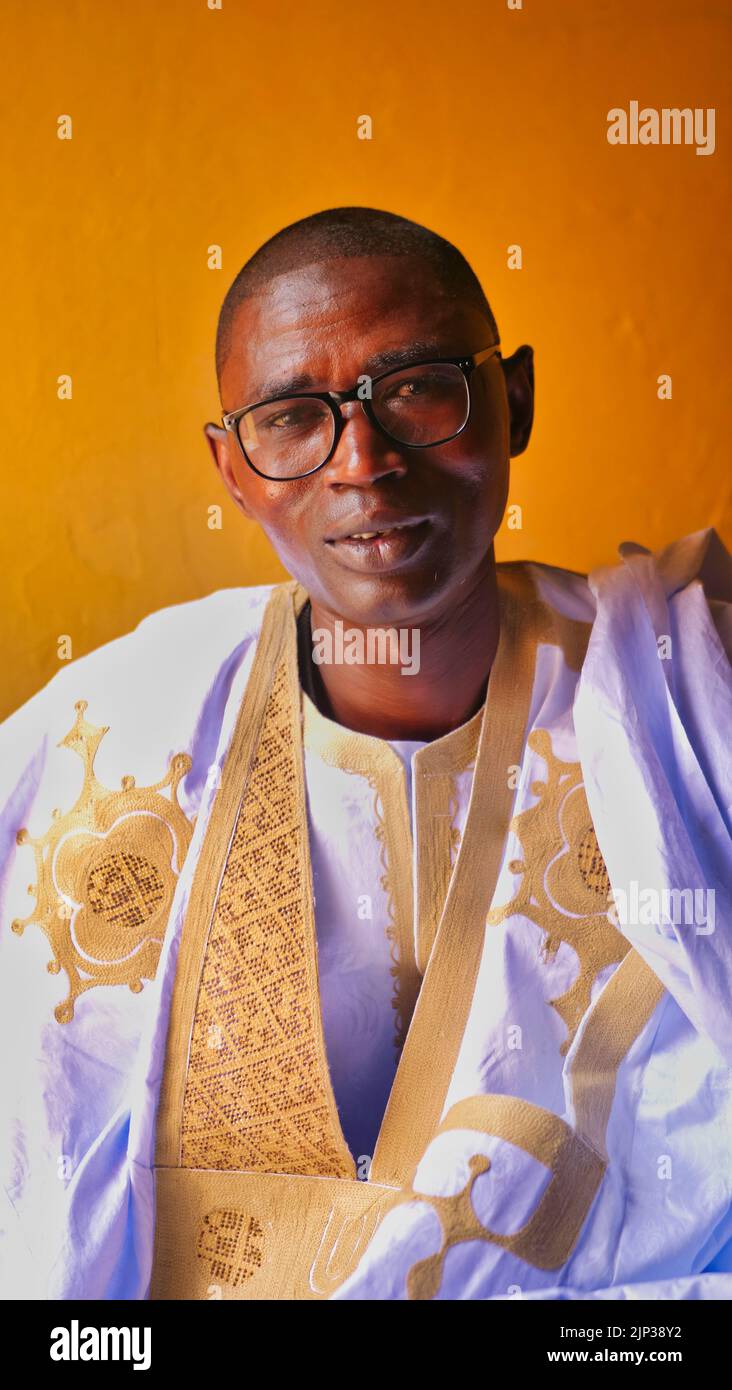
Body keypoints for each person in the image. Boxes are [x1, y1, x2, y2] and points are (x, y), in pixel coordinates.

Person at [1, 207, 731, 1302]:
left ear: (513, 401)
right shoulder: (96, 740)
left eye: (418, 388)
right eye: (294, 418)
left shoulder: (686, 709)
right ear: (233, 471)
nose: (366, 462)